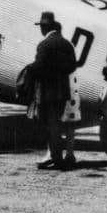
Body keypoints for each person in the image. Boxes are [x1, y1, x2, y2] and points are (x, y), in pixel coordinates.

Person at [27, 12, 78, 170]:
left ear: (44, 27)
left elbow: (39, 66)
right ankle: (57, 156)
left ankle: (56, 158)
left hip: (47, 90)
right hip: (62, 90)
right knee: (56, 123)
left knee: (50, 125)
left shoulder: (44, 44)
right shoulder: (66, 44)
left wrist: (29, 70)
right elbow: (72, 66)